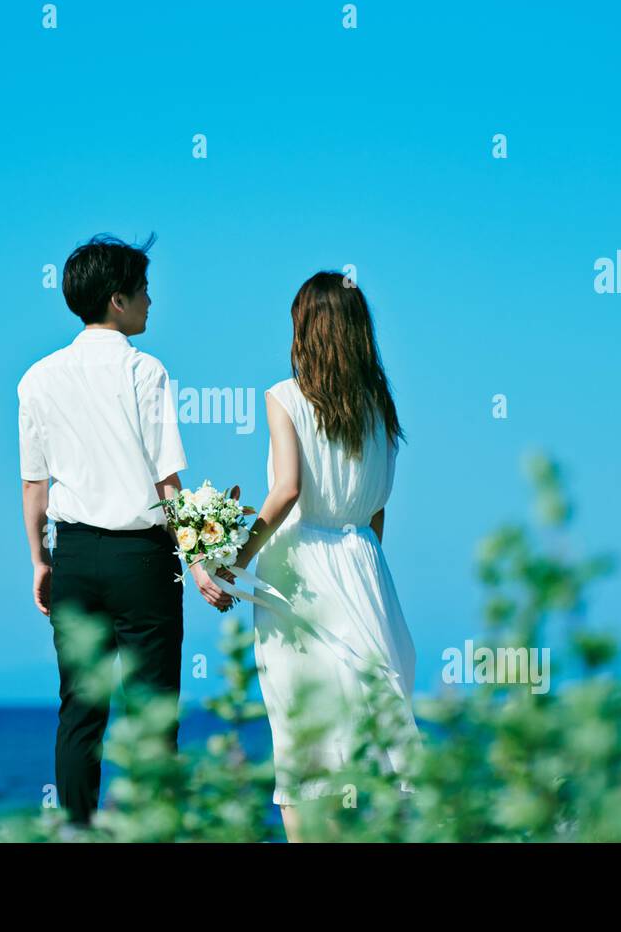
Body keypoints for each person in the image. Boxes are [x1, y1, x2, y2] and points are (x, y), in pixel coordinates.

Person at [17, 233, 230, 826]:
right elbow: (168, 483)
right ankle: (153, 831)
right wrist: (200, 560)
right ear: (117, 299)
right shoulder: (146, 371)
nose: (151, 302)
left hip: (75, 557)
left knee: (80, 711)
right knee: (154, 710)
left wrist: (40, 561)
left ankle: (77, 834)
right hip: (143, 560)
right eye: (143, 291)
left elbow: (34, 487)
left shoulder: (36, 379)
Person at [229, 270, 420, 842]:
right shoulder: (381, 409)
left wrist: (233, 560)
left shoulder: (285, 397)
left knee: (305, 733)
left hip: (300, 571)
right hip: (366, 569)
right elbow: (377, 510)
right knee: (376, 722)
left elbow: (286, 489)